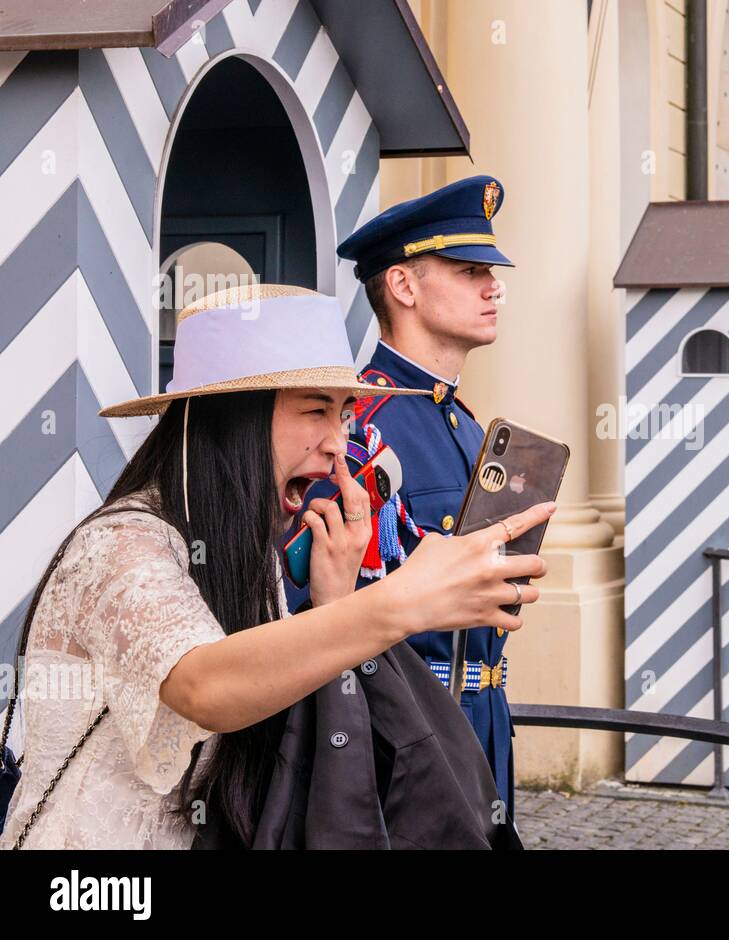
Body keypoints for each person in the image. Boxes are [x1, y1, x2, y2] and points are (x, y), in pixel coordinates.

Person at [0, 284, 552, 849]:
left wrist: (334, 600)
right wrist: (399, 603)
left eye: (345, 414)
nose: (340, 444)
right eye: (315, 410)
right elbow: (203, 687)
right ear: (227, 421)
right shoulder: (121, 542)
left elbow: (266, 711)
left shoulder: (251, 552)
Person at [332, 175, 520, 815]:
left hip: (485, 716)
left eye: (491, 271)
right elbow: (332, 603)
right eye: (470, 270)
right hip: (404, 727)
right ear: (404, 286)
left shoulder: (466, 423)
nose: (493, 285)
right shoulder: (360, 423)